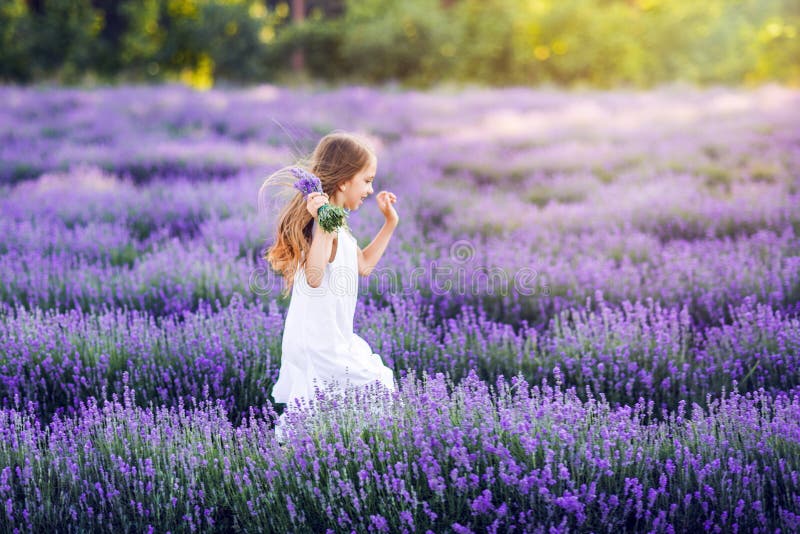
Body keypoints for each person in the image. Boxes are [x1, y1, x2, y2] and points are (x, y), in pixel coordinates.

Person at [260, 132, 399, 444]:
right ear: (344, 182)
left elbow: (363, 265)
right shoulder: (326, 226)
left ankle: (306, 464)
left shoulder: (337, 224)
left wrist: (390, 224)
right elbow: (314, 275)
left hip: (334, 337)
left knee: (327, 415)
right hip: (322, 343)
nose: (371, 189)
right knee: (372, 391)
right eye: (367, 180)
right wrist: (322, 225)